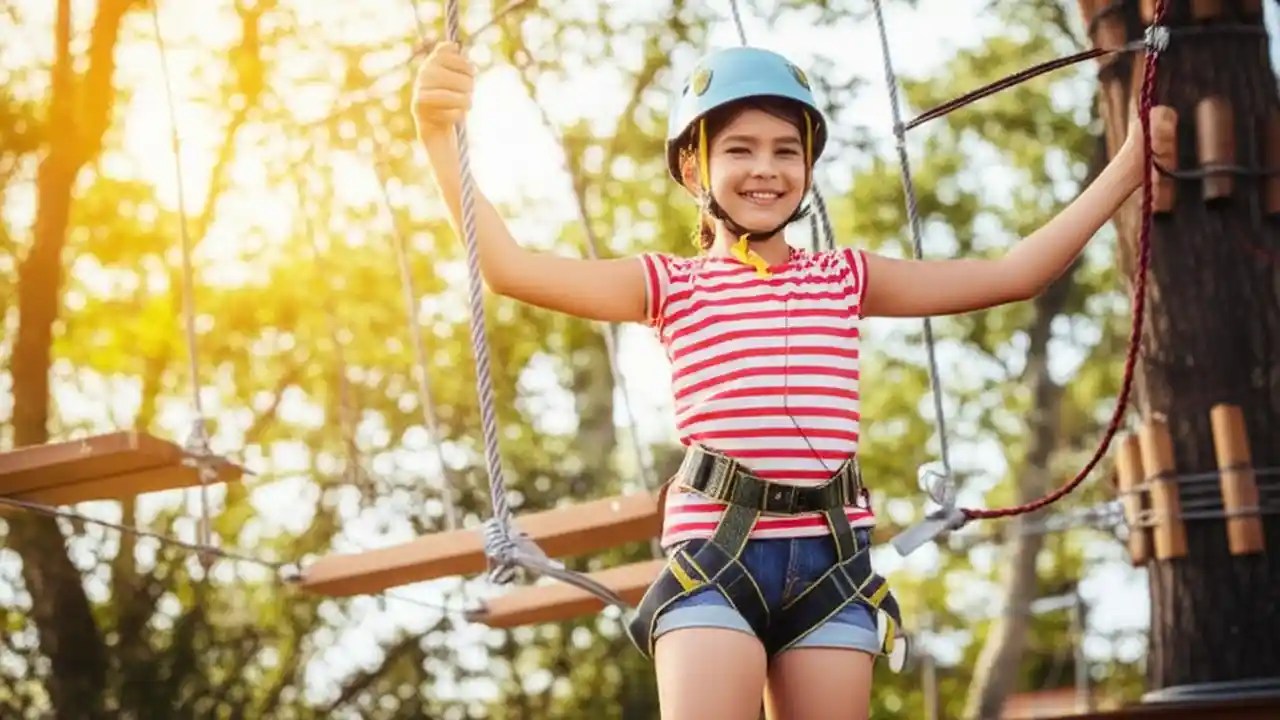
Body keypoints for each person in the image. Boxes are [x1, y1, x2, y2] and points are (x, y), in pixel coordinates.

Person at [412, 41, 1176, 720]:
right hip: (716, 557)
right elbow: (511, 268)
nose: (766, 170)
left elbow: (1015, 275)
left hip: (832, 565)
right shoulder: (669, 284)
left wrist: (1130, 163)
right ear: (693, 167)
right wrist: (437, 135)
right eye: (739, 149)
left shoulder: (843, 278)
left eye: (786, 150)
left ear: (808, 167)